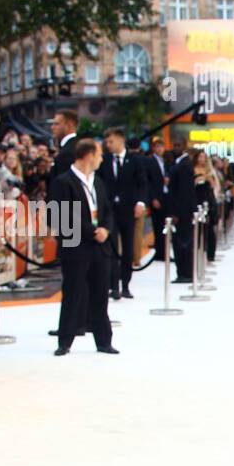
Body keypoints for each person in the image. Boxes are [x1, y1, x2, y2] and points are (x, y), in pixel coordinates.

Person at [48, 137, 117, 355]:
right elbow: (66, 215)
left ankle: (104, 341)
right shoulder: (63, 182)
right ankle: (65, 341)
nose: (101, 158)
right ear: (89, 155)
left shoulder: (98, 181)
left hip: (100, 246)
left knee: (100, 294)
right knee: (73, 293)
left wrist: (105, 229)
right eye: (99, 154)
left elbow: (106, 210)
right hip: (76, 247)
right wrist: (92, 231)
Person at [96, 128, 147, 300]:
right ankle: (113, 286)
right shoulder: (104, 160)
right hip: (110, 212)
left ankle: (125, 284)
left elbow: (142, 184)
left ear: (120, 140)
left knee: (128, 248)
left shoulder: (135, 160)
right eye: (106, 143)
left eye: (111, 142)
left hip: (129, 211)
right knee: (111, 248)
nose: (108, 145)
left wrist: (140, 203)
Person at [168, 144, 198, 283]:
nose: (175, 148)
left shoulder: (185, 165)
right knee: (180, 243)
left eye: (178, 145)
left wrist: (177, 213)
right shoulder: (181, 163)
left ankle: (185, 273)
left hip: (182, 213)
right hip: (181, 211)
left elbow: (184, 192)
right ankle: (183, 272)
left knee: (183, 243)